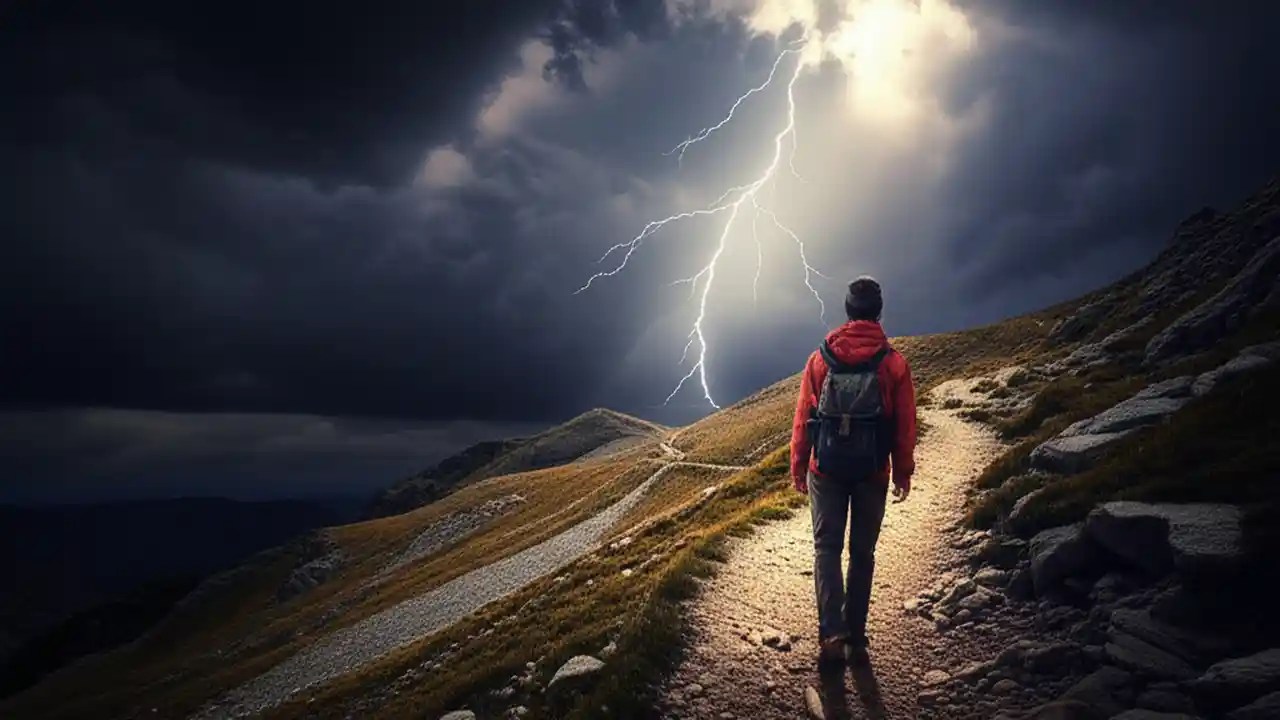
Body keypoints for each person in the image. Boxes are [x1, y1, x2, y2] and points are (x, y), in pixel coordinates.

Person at [789, 276, 917, 668]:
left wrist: (798, 465)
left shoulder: (819, 359)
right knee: (862, 552)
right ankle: (856, 635)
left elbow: (803, 418)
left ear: (846, 311)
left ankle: (831, 632)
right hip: (872, 470)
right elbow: (904, 426)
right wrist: (902, 472)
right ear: (878, 313)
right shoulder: (893, 363)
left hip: (824, 469)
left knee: (826, 548)